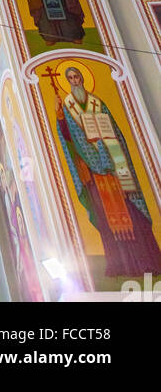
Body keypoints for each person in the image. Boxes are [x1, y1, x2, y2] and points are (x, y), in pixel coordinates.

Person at [55, 66, 161, 277]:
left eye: (77, 76)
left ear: (83, 78)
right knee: (105, 219)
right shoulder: (67, 105)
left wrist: (106, 142)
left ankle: (147, 262)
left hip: (114, 164)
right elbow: (67, 136)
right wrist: (59, 117)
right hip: (93, 173)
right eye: (70, 78)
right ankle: (120, 265)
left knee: (132, 213)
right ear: (67, 81)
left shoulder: (97, 103)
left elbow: (116, 132)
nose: (75, 80)